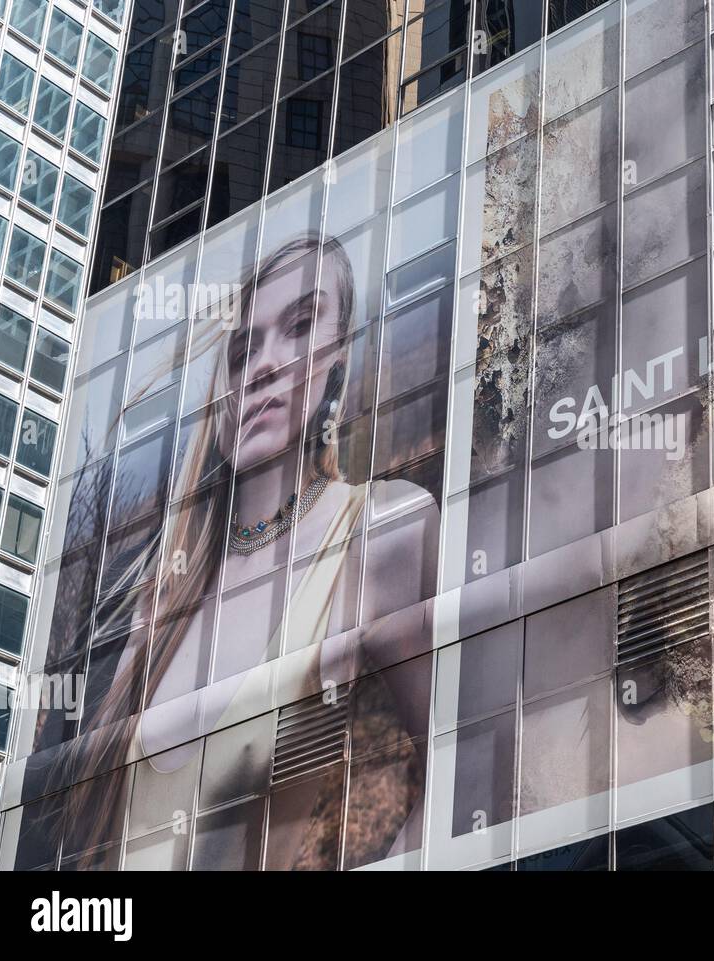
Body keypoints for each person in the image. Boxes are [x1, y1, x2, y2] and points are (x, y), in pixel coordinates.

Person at [43, 234, 439, 870]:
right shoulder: (156, 591)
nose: (263, 366)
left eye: (300, 326)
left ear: (338, 357)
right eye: (242, 350)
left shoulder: (382, 528)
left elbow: (461, 755)